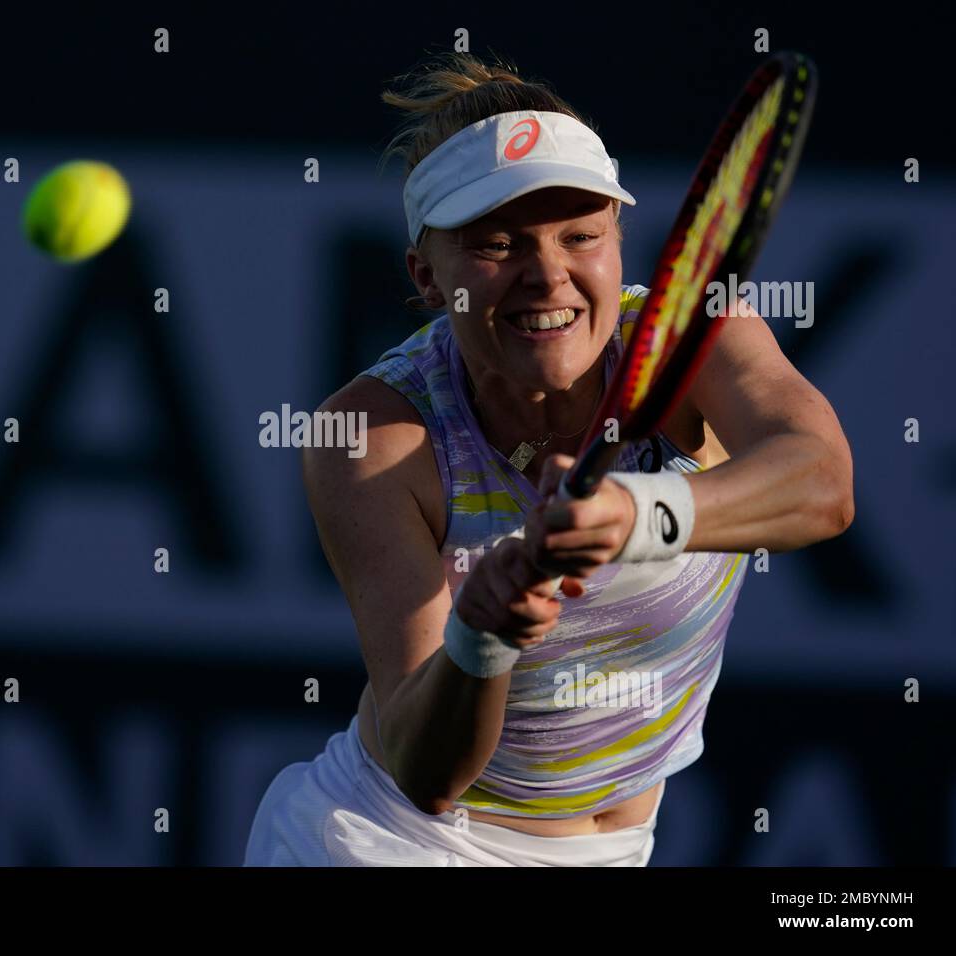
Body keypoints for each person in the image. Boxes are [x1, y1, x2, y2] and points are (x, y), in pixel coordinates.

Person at [243, 52, 854, 866]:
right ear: (428, 276)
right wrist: (483, 636)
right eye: (498, 243)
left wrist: (637, 515)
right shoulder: (374, 438)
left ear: (618, 245)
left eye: (581, 236)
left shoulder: (691, 339)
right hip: (391, 845)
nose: (548, 275)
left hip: (616, 850)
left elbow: (822, 483)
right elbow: (428, 772)